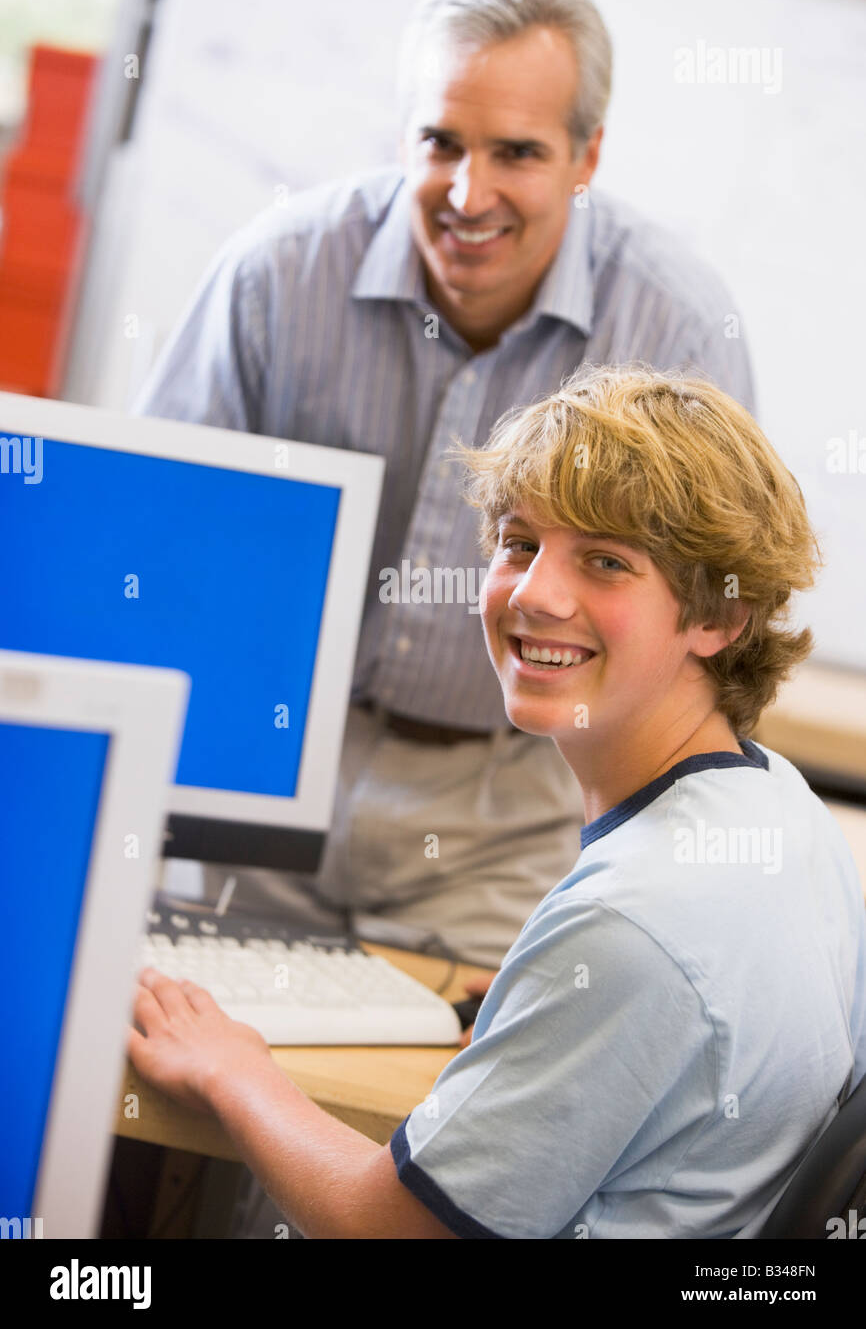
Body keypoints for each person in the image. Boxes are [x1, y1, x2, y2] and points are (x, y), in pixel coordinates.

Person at [129, 365, 866, 1239]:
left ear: (720, 619)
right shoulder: (778, 807)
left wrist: (234, 1068)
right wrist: (547, 1004)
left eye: (605, 561)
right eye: (520, 544)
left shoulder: (635, 922)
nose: (533, 594)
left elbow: (390, 1230)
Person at [134, 0, 755, 970]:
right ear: (403, 137)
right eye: (440, 143)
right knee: (180, 1075)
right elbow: (153, 538)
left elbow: (709, 617)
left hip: (508, 803)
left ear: (586, 154)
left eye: (516, 152)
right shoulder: (276, 272)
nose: (468, 194)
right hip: (260, 755)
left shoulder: (673, 326)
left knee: (443, 1106)